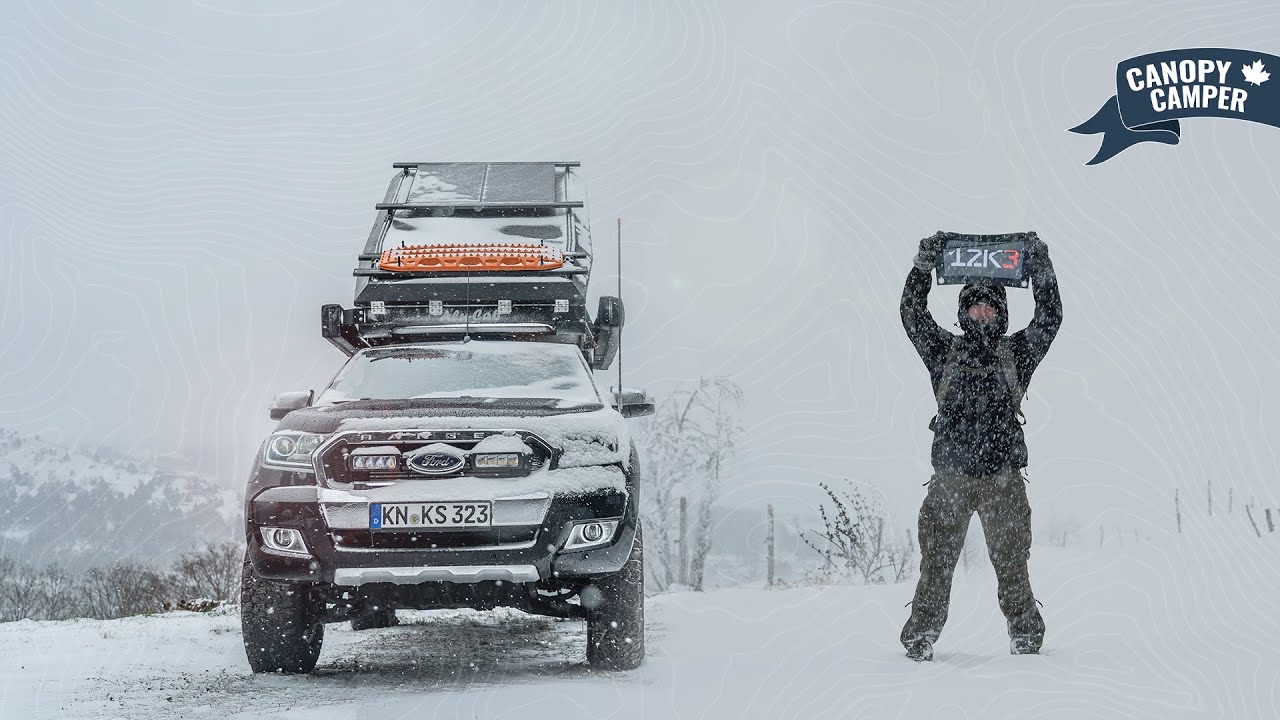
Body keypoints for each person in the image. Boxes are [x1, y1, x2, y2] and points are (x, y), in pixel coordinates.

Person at [898, 231, 1063, 662]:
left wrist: (1041, 266)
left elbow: (1049, 318)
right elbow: (912, 314)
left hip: (1003, 478)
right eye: (974, 302)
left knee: (1012, 565)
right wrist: (921, 267)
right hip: (949, 478)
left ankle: (1026, 636)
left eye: (991, 303)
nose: (983, 309)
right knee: (936, 565)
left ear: (1002, 311)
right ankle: (920, 636)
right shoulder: (943, 352)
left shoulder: (1016, 355)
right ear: (963, 310)